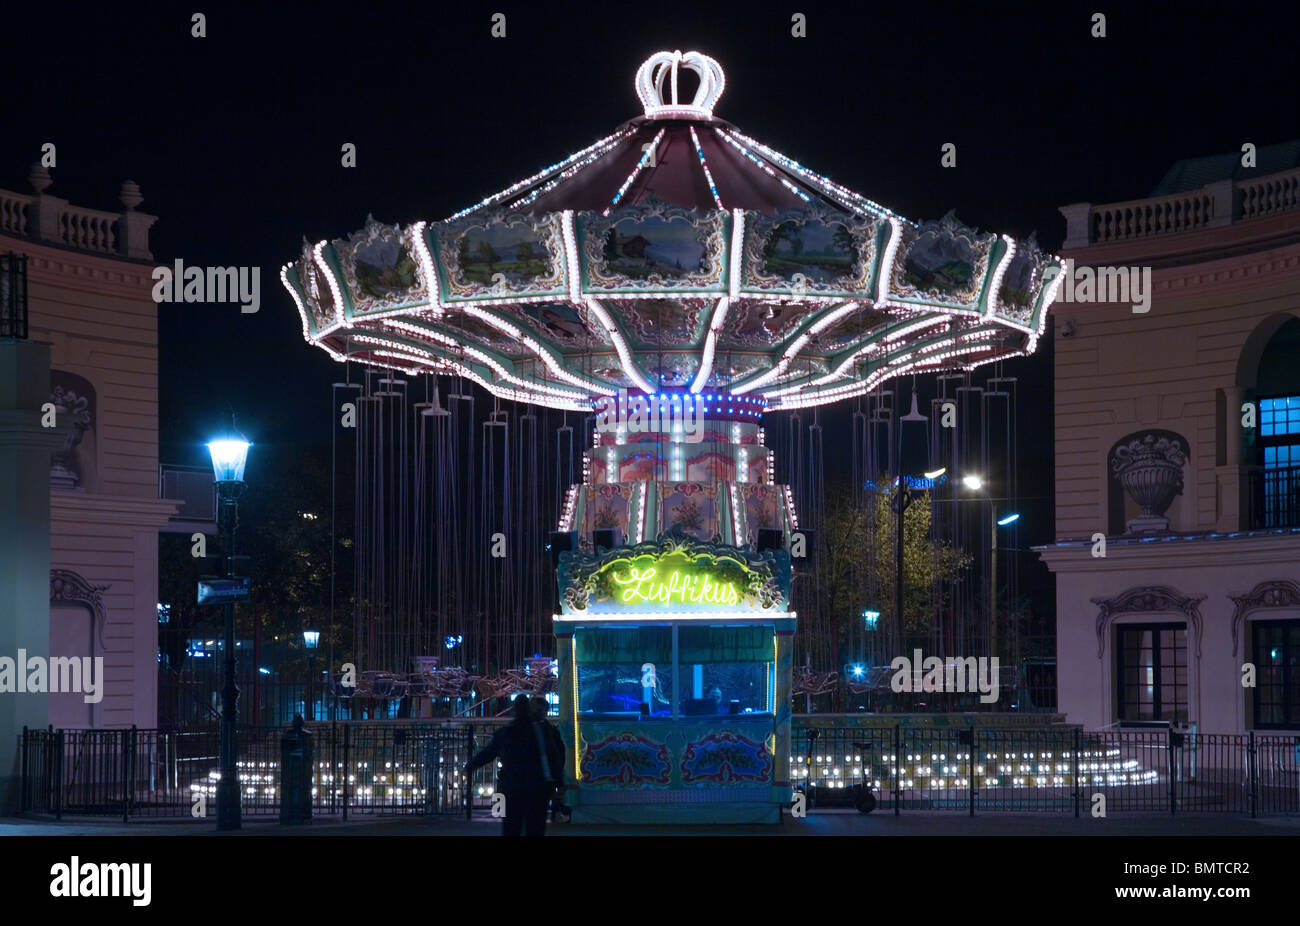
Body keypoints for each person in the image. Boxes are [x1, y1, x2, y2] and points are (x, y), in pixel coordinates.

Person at [465, 695, 553, 836]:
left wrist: (471, 765)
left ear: (514, 710)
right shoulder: (541, 731)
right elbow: (552, 757)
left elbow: (488, 753)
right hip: (537, 786)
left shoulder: (506, 732)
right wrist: (557, 782)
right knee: (535, 828)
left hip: (512, 786)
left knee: (511, 827)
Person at [530, 696, 568, 819]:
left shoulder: (547, 730)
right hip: (545, 773)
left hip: (537, 773)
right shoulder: (550, 730)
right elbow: (558, 753)